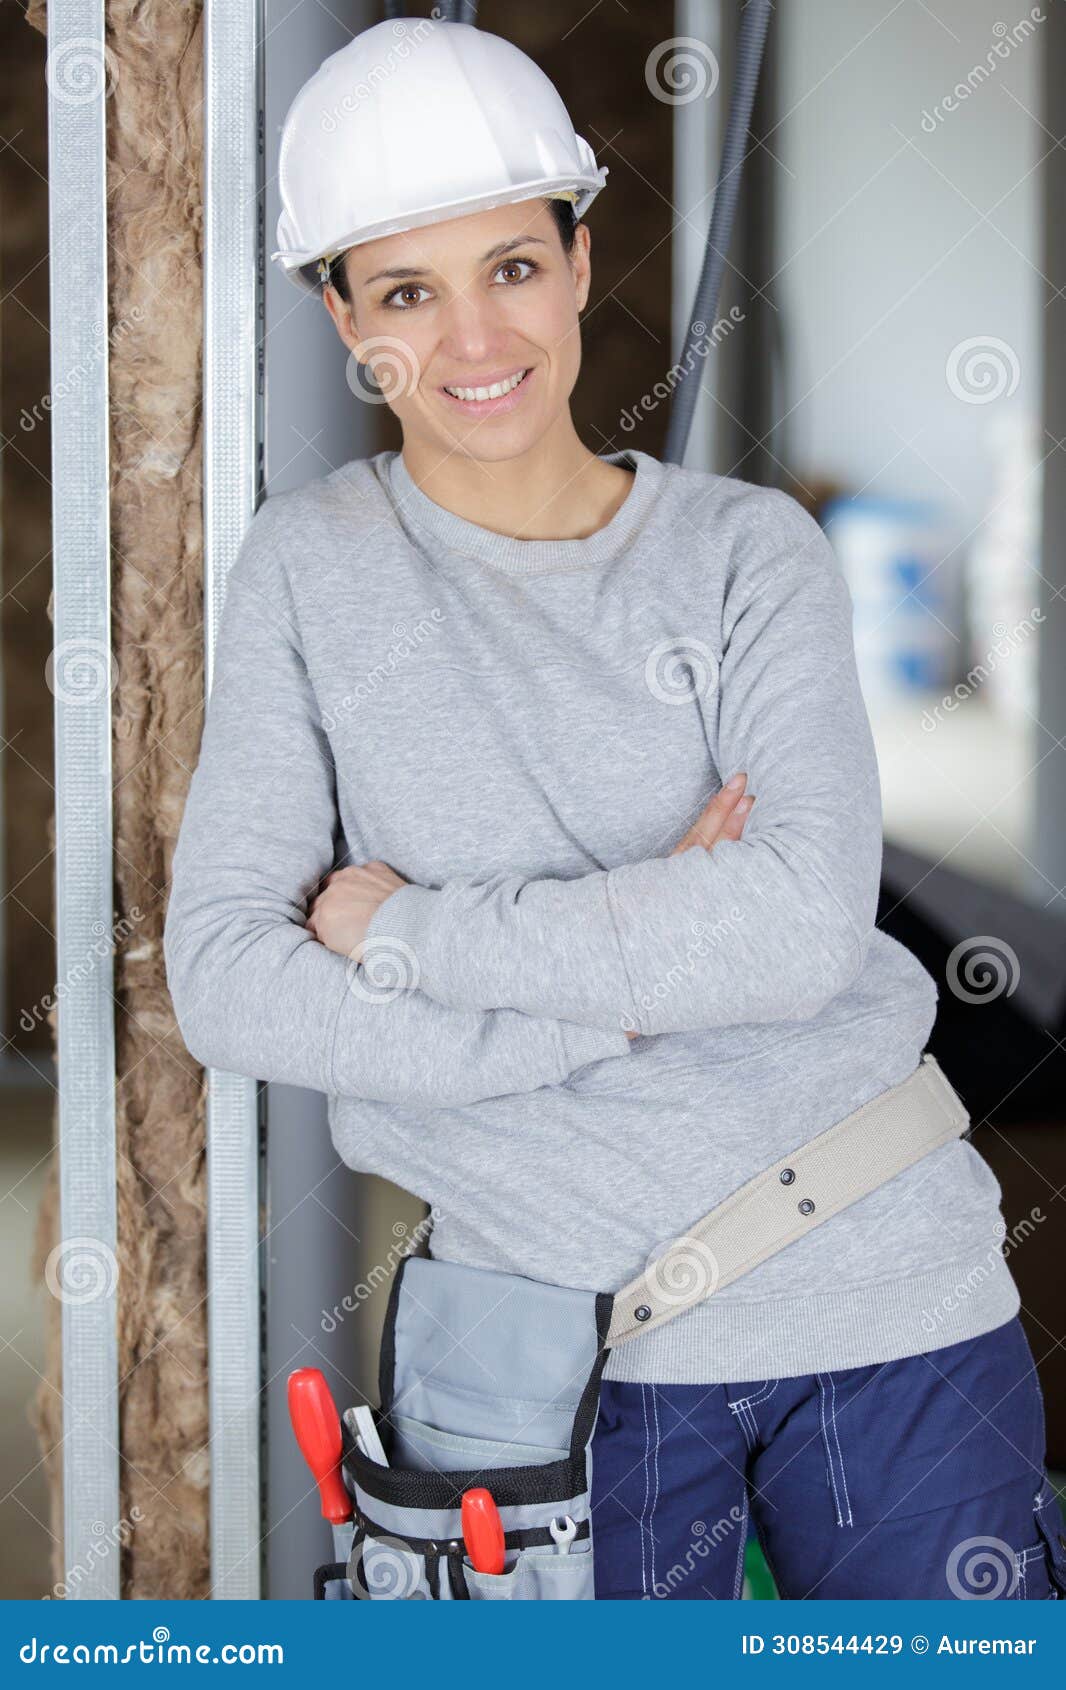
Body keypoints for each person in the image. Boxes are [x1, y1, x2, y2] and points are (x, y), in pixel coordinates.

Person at [163, 16, 1065, 1600]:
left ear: (578, 261)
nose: (469, 340)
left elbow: (790, 936)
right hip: (537, 1357)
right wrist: (627, 995)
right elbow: (232, 980)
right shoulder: (310, 573)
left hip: (885, 1298)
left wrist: (417, 931)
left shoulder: (747, 554)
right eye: (403, 292)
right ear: (339, 314)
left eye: (510, 266)